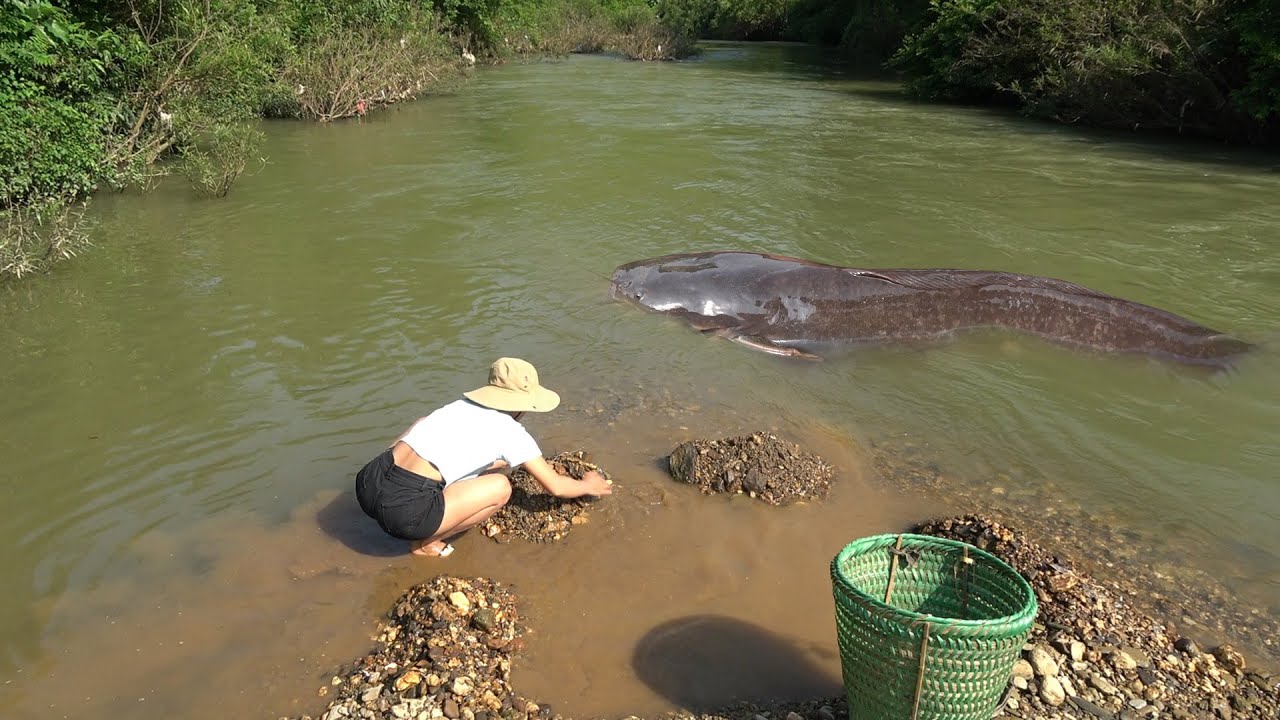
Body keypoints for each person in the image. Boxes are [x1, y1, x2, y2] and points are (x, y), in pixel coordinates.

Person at [355, 357, 613, 557]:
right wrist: (588, 485)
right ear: (525, 404)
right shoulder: (511, 432)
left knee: (423, 423)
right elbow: (556, 487)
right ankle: (425, 544)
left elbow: (428, 430)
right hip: (403, 515)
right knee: (501, 487)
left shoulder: (456, 407)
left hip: (369, 481)